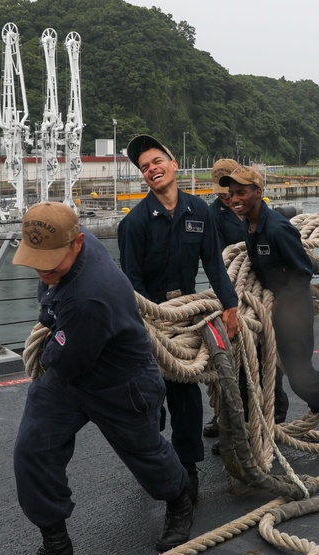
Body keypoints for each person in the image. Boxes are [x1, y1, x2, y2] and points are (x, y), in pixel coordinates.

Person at [10, 202, 195, 555]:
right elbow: (51, 300)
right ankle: (57, 551)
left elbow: (67, 357)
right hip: (68, 377)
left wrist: (52, 342)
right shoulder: (72, 243)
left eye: (51, 262)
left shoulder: (90, 297)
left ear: (78, 243)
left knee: (146, 454)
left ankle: (179, 497)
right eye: (35, 259)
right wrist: (52, 322)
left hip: (119, 382)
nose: (43, 271)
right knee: (33, 449)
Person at [118, 135, 240, 503]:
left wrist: (230, 305)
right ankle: (156, 459)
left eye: (157, 161)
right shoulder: (134, 223)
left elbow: (215, 266)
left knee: (186, 396)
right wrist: (146, 326)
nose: (152, 169)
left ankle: (188, 470)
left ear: (173, 165)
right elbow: (132, 285)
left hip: (186, 318)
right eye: (144, 167)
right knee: (150, 402)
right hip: (150, 321)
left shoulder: (199, 212)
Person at [222, 165, 319, 454]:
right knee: (255, 370)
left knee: (300, 377)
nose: (234, 198)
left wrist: (279, 301)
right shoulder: (249, 224)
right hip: (269, 308)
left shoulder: (277, 228)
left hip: (293, 309)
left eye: (241, 192)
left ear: (258, 192)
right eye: (231, 193)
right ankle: (254, 430)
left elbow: (302, 272)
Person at [201, 157, 246, 440]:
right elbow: (215, 259)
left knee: (256, 356)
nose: (225, 196)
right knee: (226, 356)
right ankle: (224, 414)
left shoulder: (253, 206)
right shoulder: (212, 214)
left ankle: (259, 413)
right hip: (227, 287)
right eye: (220, 191)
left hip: (255, 287)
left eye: (228, 190)